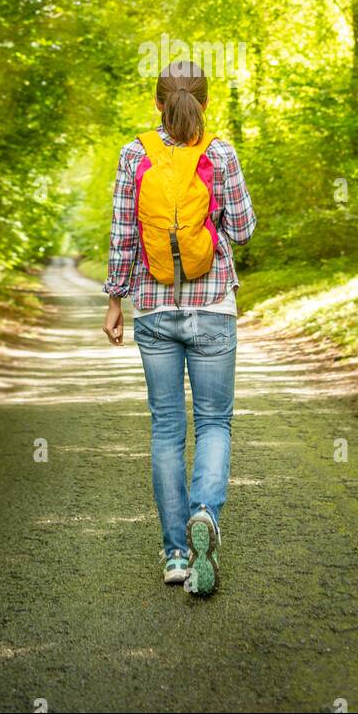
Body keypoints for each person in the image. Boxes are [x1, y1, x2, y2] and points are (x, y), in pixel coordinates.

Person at [102, 58, 256, 596]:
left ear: (157, 104)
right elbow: (240, 230)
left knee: (167, 428)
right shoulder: (220, 152)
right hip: (213, 305)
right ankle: (205, 518)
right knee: (214, 423)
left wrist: (115, 301)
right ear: (205, 102)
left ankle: (173, 554)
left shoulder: (132, 154)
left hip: (152, 306)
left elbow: (124, 234)